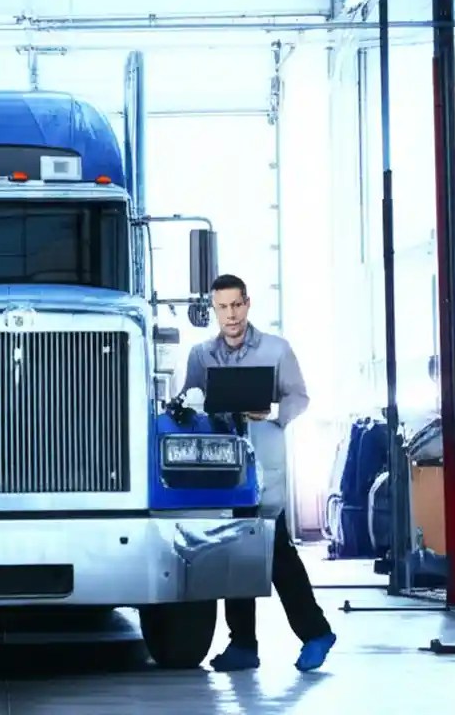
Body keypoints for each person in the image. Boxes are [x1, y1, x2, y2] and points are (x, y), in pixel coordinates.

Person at [179, 273, 336, 673]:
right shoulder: (200, 355)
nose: (230, 315)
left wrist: (273, 412)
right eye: (222, 307)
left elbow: (299, 396)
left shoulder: (275, 350)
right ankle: (243, 645)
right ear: (213, 309)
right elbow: (190, 403)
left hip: (266, 463)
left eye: (236, 305)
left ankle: (316, 632)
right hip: (221, 469)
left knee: (275, 549)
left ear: (247, 304)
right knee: (235, 550)